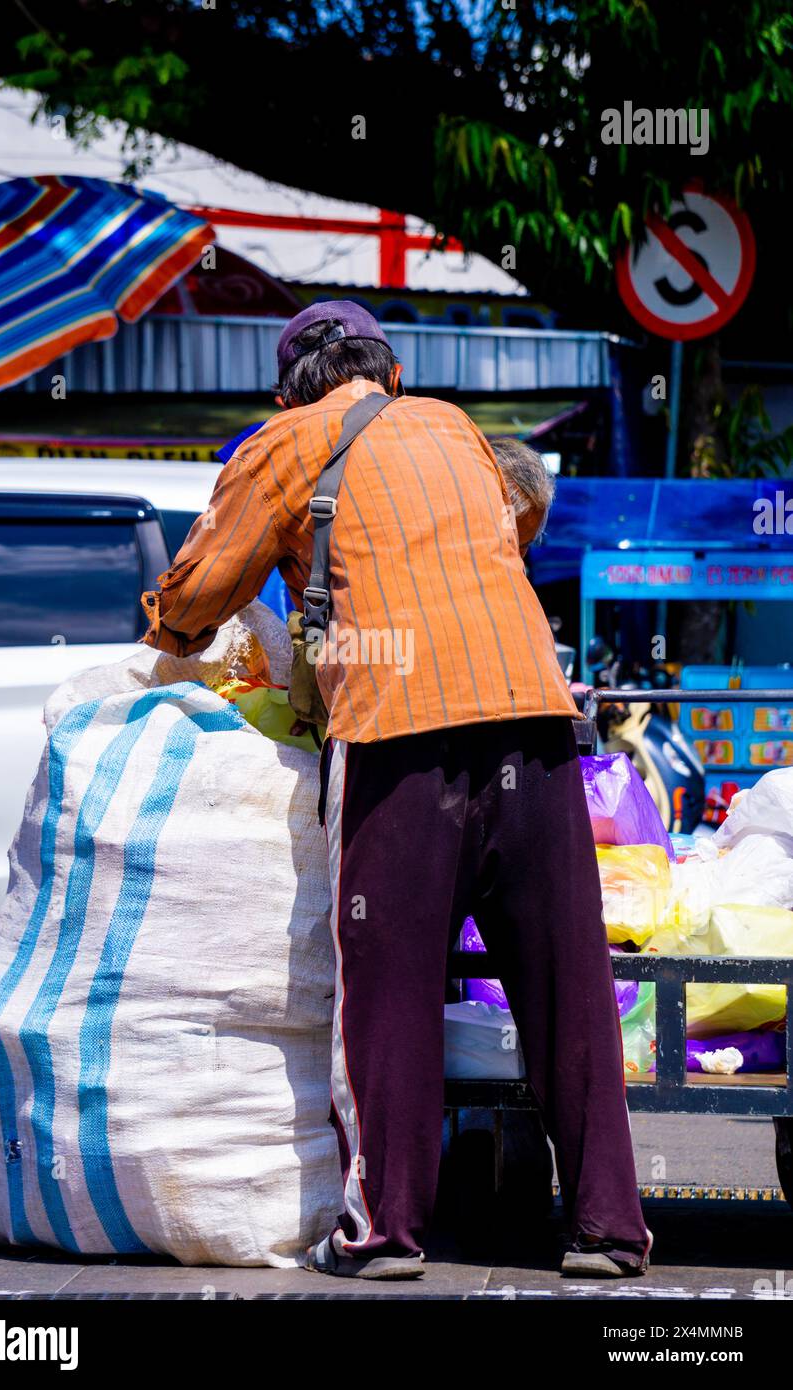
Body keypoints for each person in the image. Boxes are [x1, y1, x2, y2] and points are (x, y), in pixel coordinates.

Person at [140, 301, 651, 1281]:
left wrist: (163, 634)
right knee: (568, 989)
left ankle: (384, 1232)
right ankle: (607, 1230)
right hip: (536, 732)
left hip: (398, 736)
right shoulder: (455, 428)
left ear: (289, 386)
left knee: (388, 991)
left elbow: (206, 583)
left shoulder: (287, 440)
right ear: (390, 368)